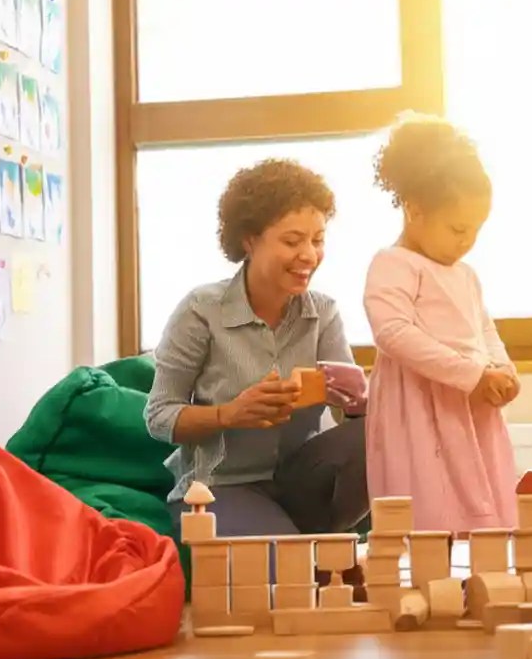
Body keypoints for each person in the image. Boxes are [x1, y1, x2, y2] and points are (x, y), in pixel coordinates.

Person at [145, 158, 369, 541]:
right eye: (292, 240)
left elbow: (352, 418)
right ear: (250, 239)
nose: (310, 256)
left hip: (300, 482)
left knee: (375, 432)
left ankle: (314, 542)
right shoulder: (202, 310)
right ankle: (307, 548)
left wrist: (355, 401)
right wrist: (230, 414)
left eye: (317, 240)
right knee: (283, 576)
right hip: (222, 486)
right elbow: (159, 417)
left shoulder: (323, 313)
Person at [363, 112, 521, 534]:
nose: (468, 240)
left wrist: (502, 368)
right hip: (419, 404)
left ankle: (485, 579)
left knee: (483, 494)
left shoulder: (465, 273)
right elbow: (393, 333)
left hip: (469, 403)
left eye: (477, 229)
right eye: (458, 228)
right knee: (429, 503)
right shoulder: (393, 263)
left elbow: (485, 329)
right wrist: (472, 373)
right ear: (414, 210)